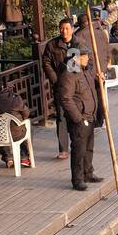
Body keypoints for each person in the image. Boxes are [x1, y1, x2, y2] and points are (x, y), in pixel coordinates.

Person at [58, 48, 104, 190]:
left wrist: (99, 81)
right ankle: (77, 179)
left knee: (88, 148)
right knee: (79, 150)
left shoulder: (86, 72)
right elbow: (66, 98)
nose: (87, 58)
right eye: (84, 56)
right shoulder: (69, 75)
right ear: (76, 59)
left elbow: (92, 89)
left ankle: (88, 173)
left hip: (90, 116)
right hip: (79, 118)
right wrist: (77, 117)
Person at [41, 17, 76, 160]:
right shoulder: (52, 45)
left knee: (75, 116)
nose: (64, 31)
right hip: (59, 86)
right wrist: (55, 79)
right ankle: (63, 149)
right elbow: (46, 63)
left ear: (72, 29)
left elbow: (82, 65)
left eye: (67, 28)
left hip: (75, 86)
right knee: (61, 116)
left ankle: (77, 144)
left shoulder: (78, 43)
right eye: (62, 28)